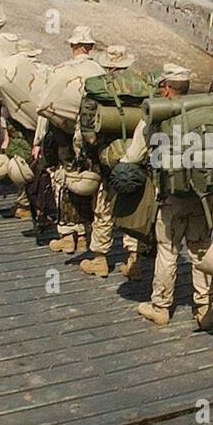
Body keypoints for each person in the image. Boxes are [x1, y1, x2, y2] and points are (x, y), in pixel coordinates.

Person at [118, 64, 213, 327]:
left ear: (164, 88)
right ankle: (205, 308)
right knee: (200, 251)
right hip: (202, 195)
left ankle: (161, 307)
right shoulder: (206, 110)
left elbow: (134, 156)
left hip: (171, 197)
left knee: (168, 250)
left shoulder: (156, 115)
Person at [33, 27, 104, 254]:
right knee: (87, 181)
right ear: (90, 47)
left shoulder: (59, 70)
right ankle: (84, 233)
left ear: (72, 46)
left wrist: (39, 141)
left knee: (62, 180)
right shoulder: (99, 70)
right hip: (90, 136)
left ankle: (67, 234)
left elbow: (44, 108)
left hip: (62, 135)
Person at [79, 44, 145, 278]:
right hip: (138, 155)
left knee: (104, 206)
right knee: (133, 204)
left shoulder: (99, 89)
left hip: (110, 156)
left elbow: (88, 132)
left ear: (107, 65)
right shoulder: (141, 87)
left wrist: (96, 150)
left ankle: (100, 259)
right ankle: (134, 259)